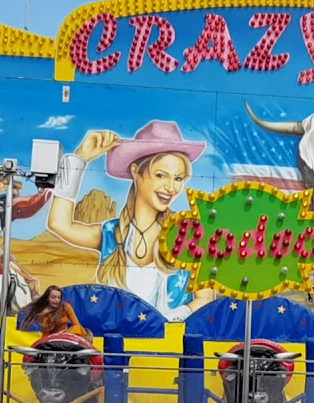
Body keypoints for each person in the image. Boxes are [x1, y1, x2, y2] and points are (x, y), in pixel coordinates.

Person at [47, 121, 216, 322]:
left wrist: (165, 321)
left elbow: (204, 299)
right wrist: (80, 158)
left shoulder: (189, 235)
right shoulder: (112, 232)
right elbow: (59, 223)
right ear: (136, 171)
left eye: (178, 179)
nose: (171, 188)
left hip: (167, 345)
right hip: (114, 343)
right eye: (161, 175)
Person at [20, 285, 89, 339]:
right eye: (53, 297)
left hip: (66, 336)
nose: (56, 300)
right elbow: (46, 333)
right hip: (52, 339)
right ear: (47, 298)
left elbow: (77, 325)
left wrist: (66, 333)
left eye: (59, 298)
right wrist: (56, 336)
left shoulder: (66, 307)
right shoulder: (44, 312)